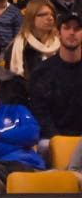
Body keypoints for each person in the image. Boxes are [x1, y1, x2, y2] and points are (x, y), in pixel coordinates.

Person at [0, 68, 44, 193]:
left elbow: (32, 134)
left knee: (73, 178)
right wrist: (20, 145)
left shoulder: (17, 110)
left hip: (31, 168)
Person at [29, 11, 82, 150]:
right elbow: (40, 113)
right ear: (58, 33)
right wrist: (59, 141)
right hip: (52, 140)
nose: (72, 32)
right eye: (67, 28)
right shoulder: (41, 72)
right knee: (45, 147)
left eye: (77, 29)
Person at [4, 0, 60, 78]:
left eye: (52, 14)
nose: (50, 18)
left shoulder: (61, 45)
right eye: (43, 14)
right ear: (31, 18)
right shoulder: (16, 48)